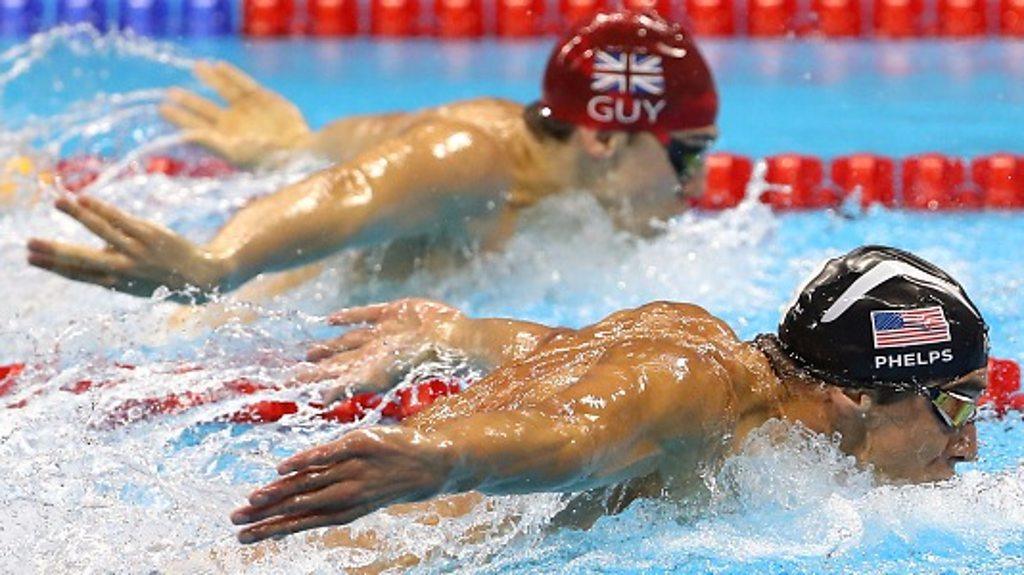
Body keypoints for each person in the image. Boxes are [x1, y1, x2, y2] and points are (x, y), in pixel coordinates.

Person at [230, 245, 989, 544]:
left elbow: (562, 354)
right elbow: (576, 437)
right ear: (855, 393)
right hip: (351, 553)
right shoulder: (702, 392)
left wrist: (453, 332)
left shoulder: (690, 340)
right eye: (955, 404)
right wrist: (441, 458)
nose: (969, 443)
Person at [26, 10, 718, 303]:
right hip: (220, 327)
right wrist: (218, 265)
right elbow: (353, 189)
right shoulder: (474, 160)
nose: (702, 182)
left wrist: (287, 147)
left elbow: (370, 149)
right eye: (687, 156)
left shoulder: (552, 182)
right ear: (604, 137)